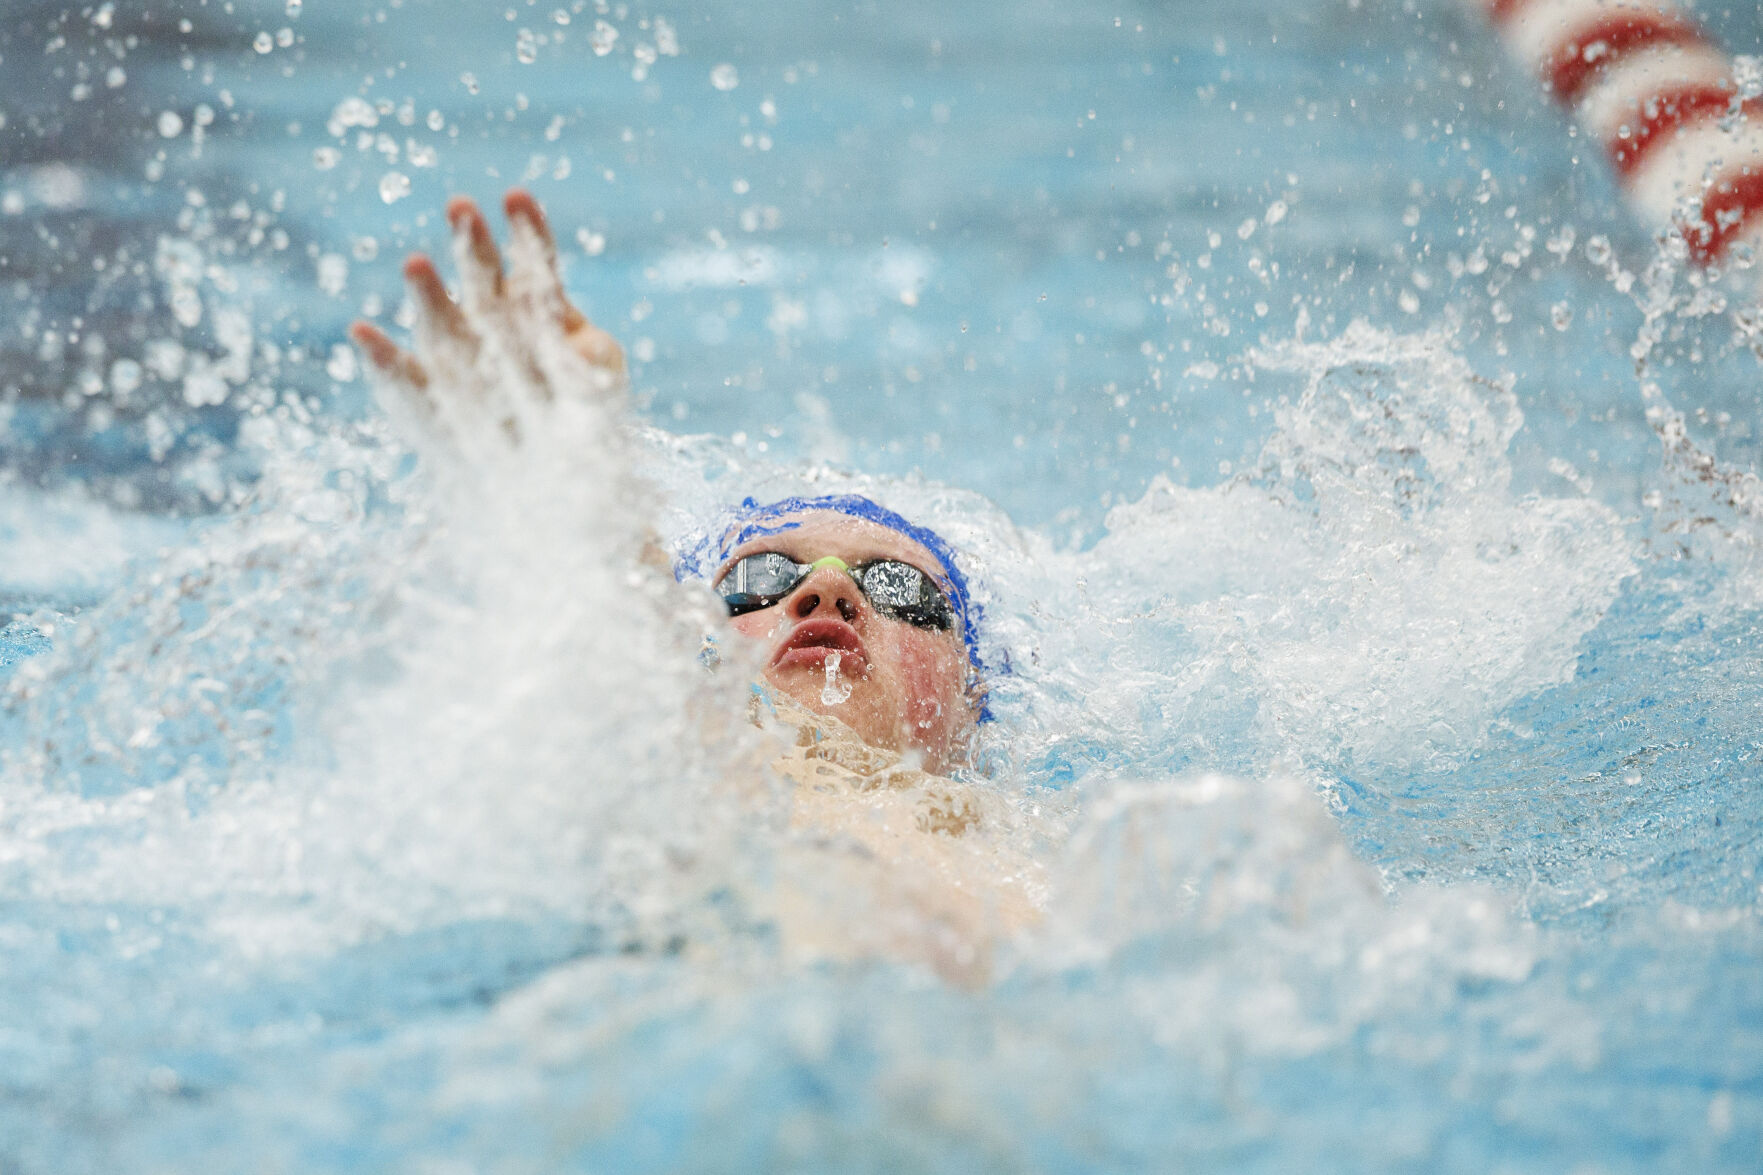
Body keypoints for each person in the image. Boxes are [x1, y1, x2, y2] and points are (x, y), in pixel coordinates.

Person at [352, 190, 1037, 981]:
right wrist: (572, 463)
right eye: (759, 579)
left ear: (972, 700)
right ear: (697, 642)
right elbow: (627, 633)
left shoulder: (1066, 859)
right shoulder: (662, 776)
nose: (823, 594)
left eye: (899, 588)